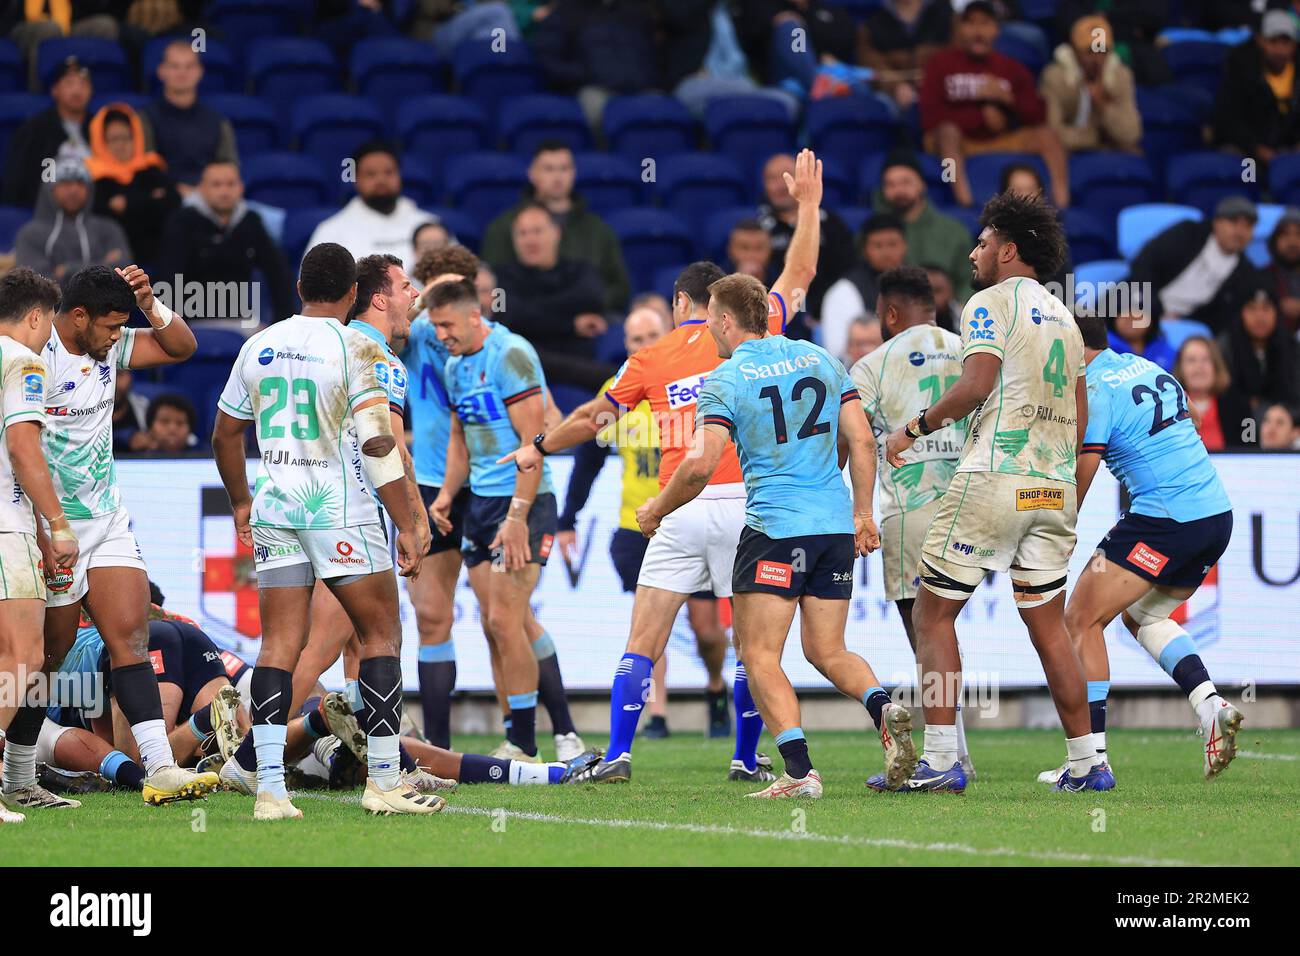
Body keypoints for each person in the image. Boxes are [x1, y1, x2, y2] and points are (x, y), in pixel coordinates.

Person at [504, 147, 828, 785]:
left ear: (683, 301)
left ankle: (619, 753)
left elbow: (595, 417)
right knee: (751, 645)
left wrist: (537, 446)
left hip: (677, 506)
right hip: (748, 505)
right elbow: (801, 271)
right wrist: (809, 206)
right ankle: (744, 757)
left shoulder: (650, 358)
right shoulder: (752, 335)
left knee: (643, 637)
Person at [638, 270, 916, 798]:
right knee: (828, 649)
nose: (708, 333)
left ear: (724, 320)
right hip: (834, 526)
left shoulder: (726, 379)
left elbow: (700, 466)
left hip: (774, 528)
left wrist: (657, 508)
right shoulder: (821, 358)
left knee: (759, 654)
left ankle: (799, 772)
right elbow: (860, 440)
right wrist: (862, 514)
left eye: (710, 322)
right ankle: (883, 706)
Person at [878, 191, 1109, 793]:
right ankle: (1088, 762)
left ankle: (941, 761)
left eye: (982, 243)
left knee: (931, 613)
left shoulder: (987, 303)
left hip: (994, 475)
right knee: (1049, 624)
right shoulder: (1064, 316)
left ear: (1008, 250)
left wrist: (913, 428)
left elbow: (975, 384)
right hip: (1052, 486)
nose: (973, 252)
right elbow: (1081, 416)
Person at [210, 241, 442, 820]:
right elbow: (379, 442)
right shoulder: (359, 346)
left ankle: (267, 787)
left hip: (276, 507)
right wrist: (407, 522)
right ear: (352, 296)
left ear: (298, 289)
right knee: (382, 636)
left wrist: (242, 501)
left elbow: (224, 434)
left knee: (279, 646)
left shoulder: (258, 344)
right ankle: (385, 782)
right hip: (340, 512)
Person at [3, 264, 218, 813]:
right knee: (47, 657)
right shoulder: (33, 357)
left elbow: (181, 347)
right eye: (113, 326)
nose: (120, 338)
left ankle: (161, 769)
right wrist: (52, 526)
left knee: (132, 638)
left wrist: (150, 303)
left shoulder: (109, 349)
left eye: (125, 327)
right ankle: (20, 773)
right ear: (78, 318)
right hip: (49, 524)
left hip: (106, 520)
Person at [1048, 313, 1243, 782]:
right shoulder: (1147, 367)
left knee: (1080, 618)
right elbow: (1193, 419)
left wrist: (1052, 527)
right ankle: (1209, 705)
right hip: (1215, 515)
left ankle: (1091, 760)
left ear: (1073, 349)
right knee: (1145, 616)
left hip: (1165, 519)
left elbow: (1085, 471)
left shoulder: (1093, 389)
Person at [427, 278, 585, 763]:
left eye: (447, 325)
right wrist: (448, 495)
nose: (441, 335)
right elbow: (460, 436)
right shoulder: (455, 364)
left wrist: (517, 516)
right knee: (503, 626)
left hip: (525, 502)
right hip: (480, 503)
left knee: (503, 618)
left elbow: (534, 442)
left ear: (475, 316)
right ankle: (547, 735)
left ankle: (525, 742)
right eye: (434, 327)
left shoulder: (511, 354)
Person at [556, 306, 732, 739]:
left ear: (669, 330)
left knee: (708, 629)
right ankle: (657, 715)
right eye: (635, 340)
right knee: (651, 625)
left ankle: (714, 685)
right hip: (636, 526)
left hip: (691, 513)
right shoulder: (619, 389)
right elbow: (589, 459)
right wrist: (568, 518)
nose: (644, 345)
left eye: (651, 335)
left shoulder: (692, 383)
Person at [849, 266, 971, 776]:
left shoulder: (873, 364)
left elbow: (852, 438)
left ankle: (949, 753)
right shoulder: (973, 351)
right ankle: (1085, 754)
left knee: (924, 631)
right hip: (974, 502)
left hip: (912, 509)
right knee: (948, 628)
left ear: (891, 314)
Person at [0, 268, 75, 824]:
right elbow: (24, 447)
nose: (48, 339)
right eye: (47, 325)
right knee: (21, 661)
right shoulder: (24, 362)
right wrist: (57, 522)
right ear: (35, 316)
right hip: (5, 528)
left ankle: (17, 782)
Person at [920, 0, 1070, 208]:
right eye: (970, 23)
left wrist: (1008, 100)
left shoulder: (1011, 67)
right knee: (947, 133)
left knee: (1047, 135)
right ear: (958, 29)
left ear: (996, 30)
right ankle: (962, 200)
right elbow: (929, 117)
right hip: (959, 143)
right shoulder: (941, 64)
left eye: (985, 23)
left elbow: (1037, 115)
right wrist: (980, 118)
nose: (978, 31)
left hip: (1001, 138)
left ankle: (1061, 202)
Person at [482, 141, 630, 313]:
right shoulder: (504, 226)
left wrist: (591, 305)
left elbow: (620, 287)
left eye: (564, 168)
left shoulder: (597, 229)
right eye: (549, 169)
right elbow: (493, 286)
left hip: (587, 326)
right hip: (523, 325)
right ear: (532, 174)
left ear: (574, 173)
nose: (557, 176)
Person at [155, 161, 296, 328]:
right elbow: (168, 280)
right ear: (201, 188)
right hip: (192, 323)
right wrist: (177, 332)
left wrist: (280, 326)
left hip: (240, 320)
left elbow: (278, 274)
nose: (224, 191)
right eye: (216, 185)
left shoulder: (250, 221)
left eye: (230, 184)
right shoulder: (183, 222)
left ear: (241, 188)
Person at [493, 203, 612, 392]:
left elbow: (593, 296)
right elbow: (511, 317)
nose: (530, 240)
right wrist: (571, 324)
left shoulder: (580, 269)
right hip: (528, 366)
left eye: (537, 231)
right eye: (522, 234)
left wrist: (532, 312)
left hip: (579, 356)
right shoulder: (501, 278)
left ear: (556, 233)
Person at [1126, 196, 1263, 333]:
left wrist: (1181, 321)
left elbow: (1220, 318)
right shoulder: (1188, 233)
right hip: (1144, 300)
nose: (1240, 232)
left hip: (1186, 327)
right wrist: (1156, 310)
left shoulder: (1246, 273)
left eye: (1248, 226)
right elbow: (1143, 264)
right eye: (1233, 222)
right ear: (1216, 222)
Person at [756, 153, 855, 322]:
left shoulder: (830, 224)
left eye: (788, 176)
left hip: (828, 316)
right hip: (773, 319)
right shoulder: (757, 228)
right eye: (773, 178)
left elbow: (848, 272)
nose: (781, 185)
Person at [306, 141, 433, 272]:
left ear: (399, 175)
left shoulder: (430, 225)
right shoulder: (331, 232)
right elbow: (313, 287)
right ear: (356, 179)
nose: (381, 180)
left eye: (388, 172)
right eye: (371, 174)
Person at [873, 150, 973, 305]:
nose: (898, 190)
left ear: (922, 184)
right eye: (890, 184)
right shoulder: (874, 234)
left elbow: (968, 280)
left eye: (906, 182)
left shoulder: (953, 231)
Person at [139, 39, 238, 194]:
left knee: (272, 217)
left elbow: (229, 167)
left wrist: (207, 192)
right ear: (161, 71)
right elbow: (144, 169)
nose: (182, 72)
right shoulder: (145, 118)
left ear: (200, 71)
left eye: (189, 66)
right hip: (166, 199)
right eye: (175, 66)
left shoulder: (217, 121)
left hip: (212, 198)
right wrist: (179, 190)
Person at [85, 103, 178, 266]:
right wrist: (150, 200)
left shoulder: (151, 167)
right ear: (101, 140)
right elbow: (100, 214)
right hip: (112, 260)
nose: (121, 144)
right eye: (113, 139)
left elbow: (173, 200)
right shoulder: (92, 175)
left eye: (126, 137)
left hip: (156, 253)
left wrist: (127, 204)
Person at [14, 157, 131, 282]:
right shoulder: (31, 234)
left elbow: (123, 273)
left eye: (80, 184)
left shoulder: (109, 228)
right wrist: (103, 265)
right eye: (65, 183)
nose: (74, 190)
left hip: (105, 301)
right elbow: (37, 283)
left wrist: (67, 270)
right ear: (49, 189)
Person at [1039, 13, 1142, 154]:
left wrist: (1103, 106)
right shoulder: (1055, 77)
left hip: (1111, 150)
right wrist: (1093, 136)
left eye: (1102, 51)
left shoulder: (1120, 76)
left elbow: (1131, 134)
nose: (1097, 59)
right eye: (1090, 51)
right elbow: (1052, 133)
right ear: (1074, 49)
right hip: (1068, 152)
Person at [2, 56, 92, 209]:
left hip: (93, 209)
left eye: (83, 84)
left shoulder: (100, 126)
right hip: (45, 209)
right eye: (69, 83)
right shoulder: (34, 129)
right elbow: (17, 180)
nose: (77, 91)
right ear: (55, 90)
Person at [1213, 10, 1300, 164]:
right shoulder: (1241, 71)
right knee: (1245, 173)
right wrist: (1257, 149)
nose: (1280, 50)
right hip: (1249, 153)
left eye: (1286, 42)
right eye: (1273, 41)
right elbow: (1228, 120)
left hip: (1290, 153)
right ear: (1261, 41)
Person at [819, 213, 908, 362]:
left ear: (905, 246)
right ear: (865, 250)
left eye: (892, 244)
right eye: (878, 246)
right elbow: (839, 354)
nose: (886, 252)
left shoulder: (918, 285)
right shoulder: (844, 290)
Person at [1215, 286, 1300, 416]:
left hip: (1285, 422)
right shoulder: (1225, 347)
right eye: (1252, 308)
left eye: (1266, 308)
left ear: (1276, 313)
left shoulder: (1291, 347)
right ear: (1241, 312)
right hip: (1237, 424)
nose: (1260, 317)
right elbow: (1224, 396)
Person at [859, 0, 952, 111]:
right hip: (894, 93)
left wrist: (933, 78)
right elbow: (871, 62)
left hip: (942, 87)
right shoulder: (872, 22)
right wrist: (896, 86)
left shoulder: (946, 13)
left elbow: (957, 52)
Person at [1171, 336, 1251, 450]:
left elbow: (1250, 449)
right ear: (1180, 368)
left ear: (1216, 366)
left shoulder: (1238, 405)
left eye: (1205, 360)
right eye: (1191, 360)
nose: (1199, 367)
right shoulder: (1169, 407)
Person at [1266, 206, 1300, 333]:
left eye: (1299, 234)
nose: (1292, 242)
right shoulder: (1260, 277)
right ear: (1274, 241)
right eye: (1285, 234)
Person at [132, 393, 199, 454]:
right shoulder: (131, 457)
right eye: (164, 421)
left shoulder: (205, 458)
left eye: (180, 423)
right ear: (150, 427)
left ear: (190, 430)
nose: (172, 429)